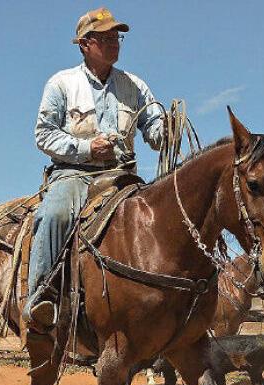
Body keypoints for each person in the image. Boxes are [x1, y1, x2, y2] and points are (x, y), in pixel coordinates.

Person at [25, 6, 166, 331]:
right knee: (56, 214)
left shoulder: (135, 86)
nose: (114, 43)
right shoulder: (62, 84)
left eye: (117, 37)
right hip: (75, 174)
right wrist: (87, 148)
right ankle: (42, 297)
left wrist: (166, 129)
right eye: (106, 38)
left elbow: (154, 130)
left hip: (124, 177)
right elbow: (43, 135)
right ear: (85, 44)